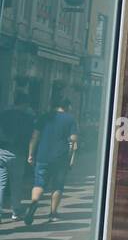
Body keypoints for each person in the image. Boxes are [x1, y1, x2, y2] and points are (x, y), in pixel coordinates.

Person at [24, 93, 78, 225]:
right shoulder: (70, 119)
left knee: (39, 183)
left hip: (43, 156)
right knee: (57, 185)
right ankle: (53, 213)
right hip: (61, 157)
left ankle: (34, 203)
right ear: (67, 106)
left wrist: (30, 154)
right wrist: (71, 159)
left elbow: (34, 137)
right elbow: (73, 142)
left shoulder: (43, 117)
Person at [0, 84, 36, 221]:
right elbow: (31, 136)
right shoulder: (27, 118)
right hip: (18, 153)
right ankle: (16, 211)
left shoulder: (3, 114)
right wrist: (30, 154)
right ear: (24, 103)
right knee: (16, 183)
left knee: (0, 183)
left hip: (1, 151)